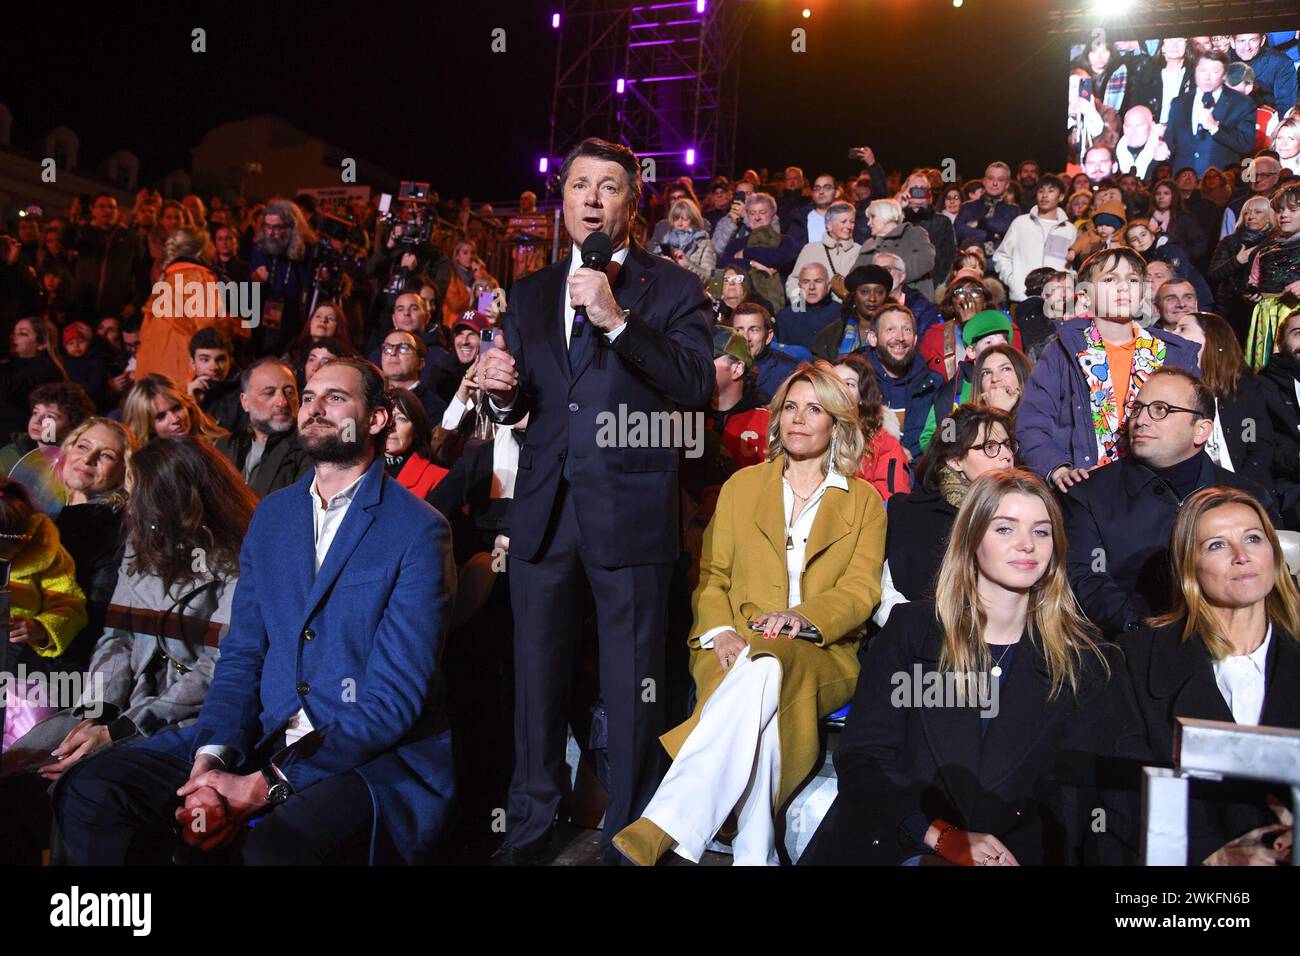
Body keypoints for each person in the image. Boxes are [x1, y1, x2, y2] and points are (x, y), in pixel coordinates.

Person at [52, 358, 457, 866]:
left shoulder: (417, 529)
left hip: (363, 756)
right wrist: (210, 760)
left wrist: (263, 787)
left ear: (375, 420)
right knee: (94, 788)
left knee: (267, 849)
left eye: (335, 398)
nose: (313, 408)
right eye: (309, 397)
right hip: (265, 734)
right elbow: (241, 654)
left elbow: (393, 701)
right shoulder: (274, 515)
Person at [477, 137, 714, 866]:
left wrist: (617, 320)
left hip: (632, 512)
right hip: (545, 511)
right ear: (564, 199)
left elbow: (696, 386)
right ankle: (530, 822)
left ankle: (631, 833)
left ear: (630, 204)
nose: (590, 198)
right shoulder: (530, 292)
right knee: (535, 679)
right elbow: (526, 408)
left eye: (608, 187)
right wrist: (500, 388)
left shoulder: (671, 288)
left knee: (633, 683)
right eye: (579, 184)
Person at [611, 362, 885, 866]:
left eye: (815, 409)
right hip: (733, 649)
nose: (798, 419)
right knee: (761, 683)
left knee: (767, 664)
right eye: (790, 408)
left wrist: (804, 619)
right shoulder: (742, 487)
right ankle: (755, 853)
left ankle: (667, 818)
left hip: (823, 653)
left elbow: (860, 591)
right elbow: (712, 576)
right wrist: (718, 634)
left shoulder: (865, 502)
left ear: (837, 423)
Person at [803, 468, 1109, 866]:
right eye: (1004, 529)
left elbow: (1069, 794)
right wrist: (941, 837)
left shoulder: (1078, 659)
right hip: (899, 842)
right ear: (971, 539)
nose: (1026, 545)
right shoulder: (913, 632)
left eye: (1041, 531)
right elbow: (865, 759)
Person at [0, 437, 254, 864]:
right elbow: (116, 639)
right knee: (16, 772)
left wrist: (118, 730)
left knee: (76, 785)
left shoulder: (239, 559)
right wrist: (98, 710)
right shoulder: (142, 543)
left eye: (140, 488)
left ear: (178, 498)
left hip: (184, 717)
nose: (131, 500)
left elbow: (217, 670)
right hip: (119, 703)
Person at [1102, 486, 1300, 865]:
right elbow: (1119, 798)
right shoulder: (1136, 659)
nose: (1242, 557)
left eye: (1254, 539)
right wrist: (1212, 855)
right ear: (1188, 566)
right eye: (1217, 546)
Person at [1062, 367, 1280, 637]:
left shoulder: (1248, 496)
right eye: (1137, 408)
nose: (1141, 420)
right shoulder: (1088, 495)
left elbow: (1272, 579)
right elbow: (1085, 580)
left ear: (1201, 430)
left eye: (1160, 409)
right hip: (1132, 652)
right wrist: (1152, 633)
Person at [1018, 247, 1200, 490]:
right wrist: (1058, 468)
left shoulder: (1173, 353)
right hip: (1090, 489)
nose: (1123, 287)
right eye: (1110, 279)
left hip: (1162, 488)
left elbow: (1195, 422)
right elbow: (1032, 421)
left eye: (1132, 280)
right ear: (1084, 297)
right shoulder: (1063, 352)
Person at [875, 405, 1016, 626]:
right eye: (990, 447)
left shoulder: (1024, 512)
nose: (1007, 455)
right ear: (955, 460)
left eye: (1007, 445)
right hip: (920, 643)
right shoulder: (908, 512)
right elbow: (883, 591)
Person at [0, 479, 88, 753]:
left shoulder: (47, 551)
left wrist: (41, 627)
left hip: (16, 656)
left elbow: (70, 603)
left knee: (30, 717)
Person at [1165, 311, 1279, 488]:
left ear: (1212, 339)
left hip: (1242, 491)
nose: (1172, 334)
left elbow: (1254, 442)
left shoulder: (1244, 389)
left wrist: (1241, 487)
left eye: (1182, 329)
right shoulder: (1170, 390)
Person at [136, 227, 248, 388]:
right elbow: (209, 329)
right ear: (201, 251)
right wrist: (239, 327)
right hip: (181, 372)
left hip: (151, 373)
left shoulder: (165, 279)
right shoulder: (198, 277)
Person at [214, 358, 311, 496]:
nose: (282, 402)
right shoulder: (224, 446)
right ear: (245, 401)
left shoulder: (310, 447)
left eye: (289, 392)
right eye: (269, 393)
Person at [862, 303, 942, 459]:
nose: (900, 337)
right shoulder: (858, 382)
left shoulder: (935, 384)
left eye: (906, 330)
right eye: (890, 330)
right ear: (873, 338)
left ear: (915, 339)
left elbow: (947, 434)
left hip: (919, 477)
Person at [1165, 50, 1257, 178]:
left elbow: (1246, 145)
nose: (1207, 77)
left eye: (1215, 72)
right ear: (1195, 71)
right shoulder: (1179, 103)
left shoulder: (1242, 104)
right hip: (1183, 182)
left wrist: (1216, 128)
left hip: (1220, 184)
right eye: (1203, 71)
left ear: (1224, 75)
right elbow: (1171, 141)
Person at [833, 354, 910, 501]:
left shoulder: (884, 445)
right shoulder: (810, 432)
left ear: (862, 396)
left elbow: (892, 502)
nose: (840, 390)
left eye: (849, 384)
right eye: (834, 382)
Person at [992, 175, 1077, 304]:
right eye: (1041, 191)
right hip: (1023, 298)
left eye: (1051, 191)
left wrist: (1067, 287)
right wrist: (1013, 280)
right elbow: (1001, 255)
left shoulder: (1069, 229)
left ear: (1061, 197)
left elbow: (1072, 266)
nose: (1044, 195)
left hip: (1057, 301)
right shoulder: (1020, 223)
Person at [68, 193, 150, 324]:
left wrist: (134, 304)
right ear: (93, 210)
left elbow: (142, 275)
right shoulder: (84, 233)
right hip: (83, 306)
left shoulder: (131, 238)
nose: (107, 211)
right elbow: (67, 241)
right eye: (101, 207)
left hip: (116, 310)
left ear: (118, 212)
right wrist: (73, 220)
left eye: (111, 207)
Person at [1243, 182, 1300, 368]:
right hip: (1266, 320)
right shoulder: (1265, 252)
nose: (1284, 215)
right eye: (1280, 210)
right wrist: (1252, 293)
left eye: (1292, 210)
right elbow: (1254, 282)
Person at [0, 381, 94, 476]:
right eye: (35, 412)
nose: (37, 420)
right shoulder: (10, 454)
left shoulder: (77, 461)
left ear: (72, 427)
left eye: (50, 417)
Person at [1209, 195, 1273, 333]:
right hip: (1229, 309)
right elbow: (1213, 275)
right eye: (1246, 212)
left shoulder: (1273, 244)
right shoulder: (1229, 241)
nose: (1251, 216)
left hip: (1260, 309)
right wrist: (1238, 261)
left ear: (1269, 217)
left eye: (1258, 212)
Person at [708, 328, 769, 471]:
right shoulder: (687, 416)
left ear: (737, 368)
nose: (699, 366)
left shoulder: (767, 422)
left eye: (709, 359)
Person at [855, 198, 937, 302]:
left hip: (912, 301)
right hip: (876, 304)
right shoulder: (869, 244)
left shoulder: (914, 234)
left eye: (872, 217)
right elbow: (856, 276)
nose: (869, 223)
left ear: (885, 215)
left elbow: (926, 260)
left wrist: (895, 275)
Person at [810, 264, 893, 361]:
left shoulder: (896, 330)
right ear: (854, 295)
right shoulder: (832, 333)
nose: (872, 298)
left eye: (879, 292)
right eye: (864, 292)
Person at [786, 201, 860, 308]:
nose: (849, 226)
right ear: (829, 225)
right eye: (843, 222)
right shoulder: (811, 250)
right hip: (815, 312)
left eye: (852, 222)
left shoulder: (859, 251)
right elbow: (794, 280)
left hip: (849, 314)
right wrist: (800, 305)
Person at [0, 317, 66, 438]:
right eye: (13, 333)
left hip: (24, 442)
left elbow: (8, 388)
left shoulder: (46, 370)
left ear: (42, 344)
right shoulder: (11, 364)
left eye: (23, 333)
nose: (13, 337)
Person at [122, 373, 228, 446]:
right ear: (147, 426)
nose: (175, 419)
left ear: (187, 405)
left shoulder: (221, 443)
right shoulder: (146, 468)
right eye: (161, 416)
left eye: (177, 408)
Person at [384, 386, 448, 499]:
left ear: (416, 431)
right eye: (387, 417)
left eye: (402, 419)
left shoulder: (437, 477)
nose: (391, 425)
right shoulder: (357, 471)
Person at [730, 302, 798, 401]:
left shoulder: (789, 372)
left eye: (754, 330)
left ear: (768, 336)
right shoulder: (720, 367)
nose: (745, 337)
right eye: (738, 330)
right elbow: (700, 412)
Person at [954, 163, 1020, 257]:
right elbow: (959, 231)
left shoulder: (1013, 209)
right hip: (970, 262)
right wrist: (990, 235)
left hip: (999, 262)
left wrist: (980, 223)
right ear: (984, 181)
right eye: (990, 178)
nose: (995, 183)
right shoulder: (968, 207)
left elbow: (1005, 227)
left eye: (1000, 180)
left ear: (1007, 184)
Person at [185, 327, 242, 434]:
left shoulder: (247, 390)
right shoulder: (189, 393)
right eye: (205, 360)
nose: (214, 367)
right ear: (192, 363)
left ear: (230, 361)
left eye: (220, 360)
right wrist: (192, 404)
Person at [775, 263, 840, 350]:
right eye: (806, 282)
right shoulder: (785, 316)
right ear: (799, 286)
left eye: (818, 281)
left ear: (828, 287)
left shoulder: (842, 313)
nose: (811, 287)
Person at [1231, 33, 1297, 114]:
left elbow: (1286, 106)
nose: (1247, 47)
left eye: (1253, 40)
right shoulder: (1222, 62)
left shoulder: (1281, 63)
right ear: (1232, 42)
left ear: (1262, 41)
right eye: (1241, 41)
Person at [658, 197, 717, 283]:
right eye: (676, 218)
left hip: (693, 292)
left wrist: (688, 265)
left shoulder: (704, 244)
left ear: (693, 220)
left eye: (684, 219)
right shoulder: (667, 242)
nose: (680, 223)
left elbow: (709, 277)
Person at [972, 342, 1034, 419]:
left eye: (1005, 369)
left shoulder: (1042, 415)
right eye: (986, 373)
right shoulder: (967, 425)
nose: (995, 379)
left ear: (1021, 374)